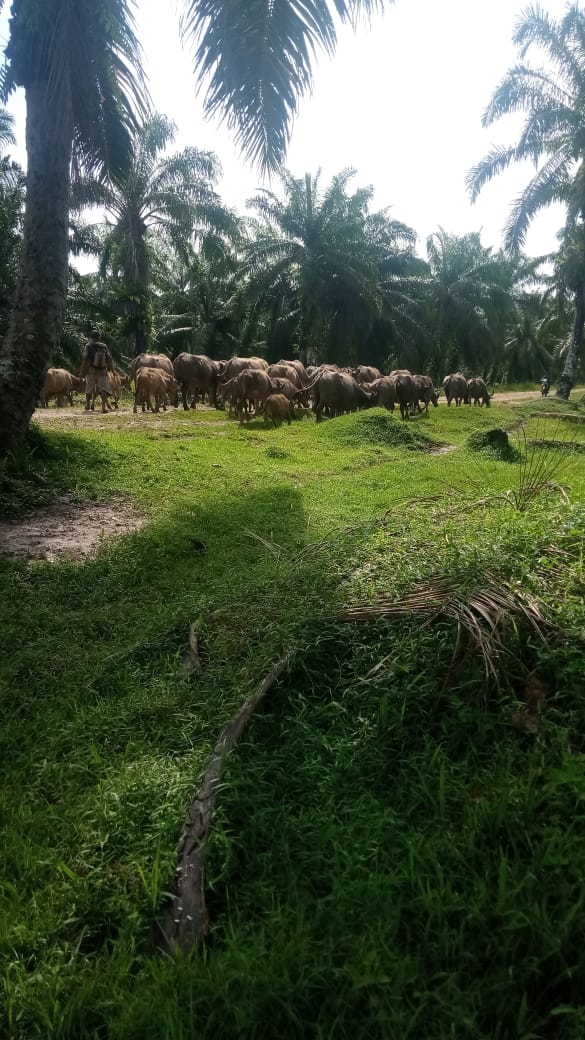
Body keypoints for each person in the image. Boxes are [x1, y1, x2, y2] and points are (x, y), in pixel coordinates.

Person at [80, 330, 114, 413]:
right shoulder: (104, 346)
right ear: (99, 337)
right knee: (103, 389)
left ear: (91, 337)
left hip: (91, 370)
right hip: (102, 370)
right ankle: (103, 407)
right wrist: (111, 369)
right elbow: (109, 358)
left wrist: (82, 371)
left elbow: (84, 358)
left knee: (89, 388)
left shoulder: (88, 345)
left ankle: (88, 405)